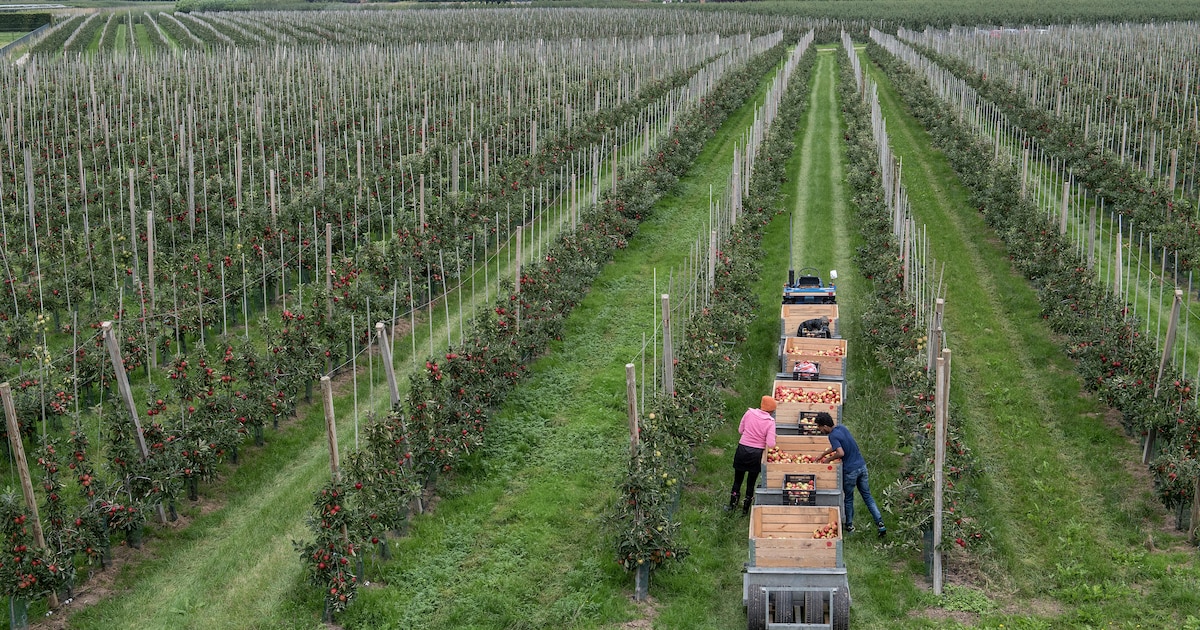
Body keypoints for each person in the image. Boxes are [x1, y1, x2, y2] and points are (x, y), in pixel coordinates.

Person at [815, 413, 885, 537]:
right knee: (867, 496)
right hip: (861, 466)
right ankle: (880, 524)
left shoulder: (832, 435)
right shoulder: (841, 428)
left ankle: (849, 526)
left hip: (850, 470)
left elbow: (840, 452)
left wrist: (828, 460)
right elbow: (839, 445)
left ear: (825, 426)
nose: (819, 430)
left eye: (819, 427)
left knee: (848, 498)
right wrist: (823, 454)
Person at [728, 395, 777, 515]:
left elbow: (740, 430)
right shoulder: (770, 422)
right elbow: (770, 443)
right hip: (756, 454)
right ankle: (745, 510)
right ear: (772, 411)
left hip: (742, 450)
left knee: (737, 480)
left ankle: (732, 505)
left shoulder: (749, 413)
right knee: (751, 482)